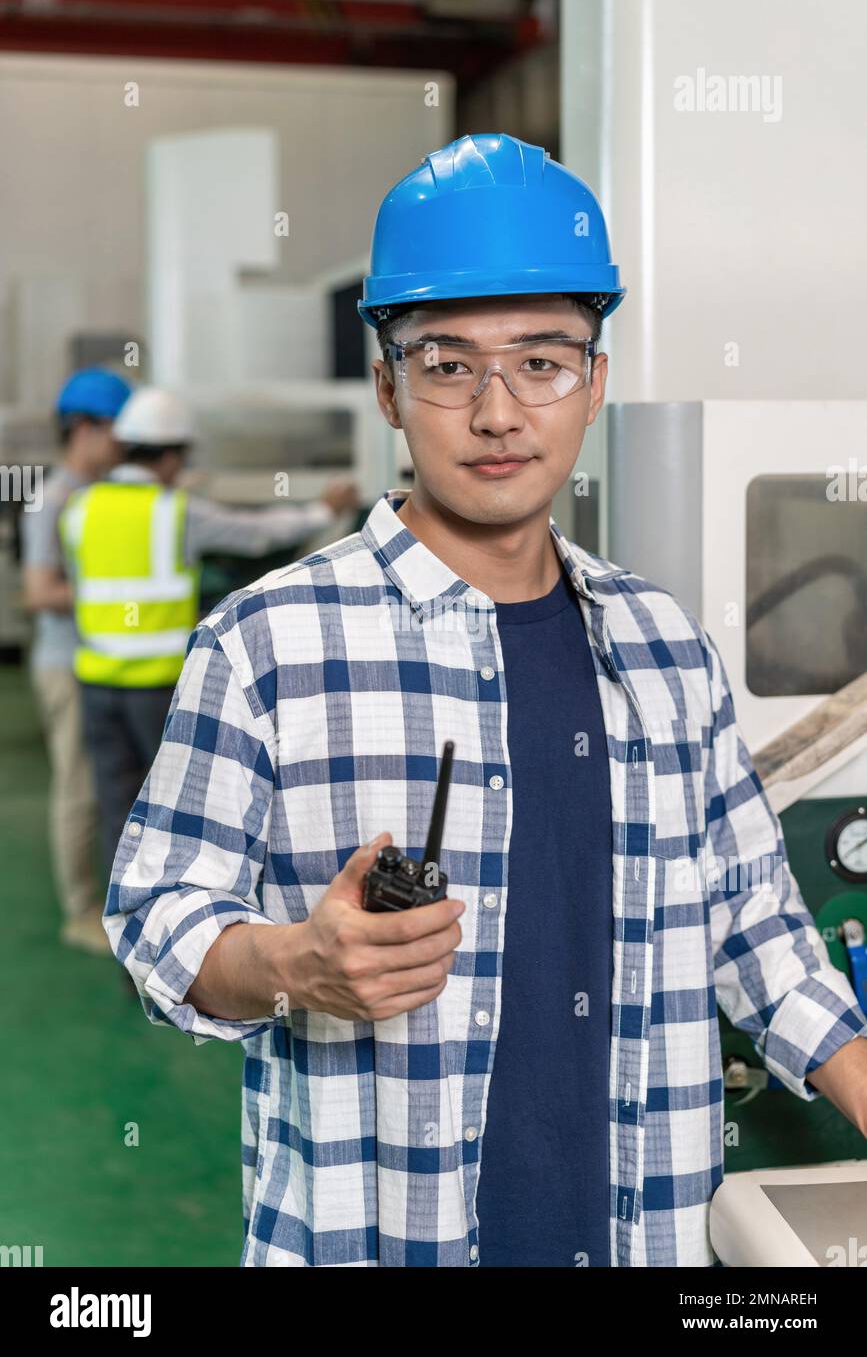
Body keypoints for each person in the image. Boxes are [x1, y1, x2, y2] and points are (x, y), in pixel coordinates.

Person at [104, 134, 867, 1268]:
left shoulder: (664, 647)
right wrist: (294, 962)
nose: (499, 413)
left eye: (542, 362)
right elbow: (157, 917)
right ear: (389, 387)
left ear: (593, 384)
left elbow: (755, 925)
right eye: (449, 365)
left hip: (644, 1235)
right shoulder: (269, 643)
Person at [60, 385, 358, 879]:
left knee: (116, 805)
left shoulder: (80, 508)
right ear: (171, 456)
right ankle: (167, 905)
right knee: (172, 805)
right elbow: (254, 533)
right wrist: (323, 511)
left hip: (96, 683)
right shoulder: (175, 511)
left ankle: (121, 907)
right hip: (156, 686)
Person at [22, 367, 132, 953]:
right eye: (118, 431)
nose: (125, 445)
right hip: (65, 663)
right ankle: (79, 911)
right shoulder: (54, 499)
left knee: (109, 784)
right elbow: (39, 592)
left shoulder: (102, 495)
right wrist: (123, 592)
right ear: (86, 428)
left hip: (104, 660)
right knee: (80, 786)